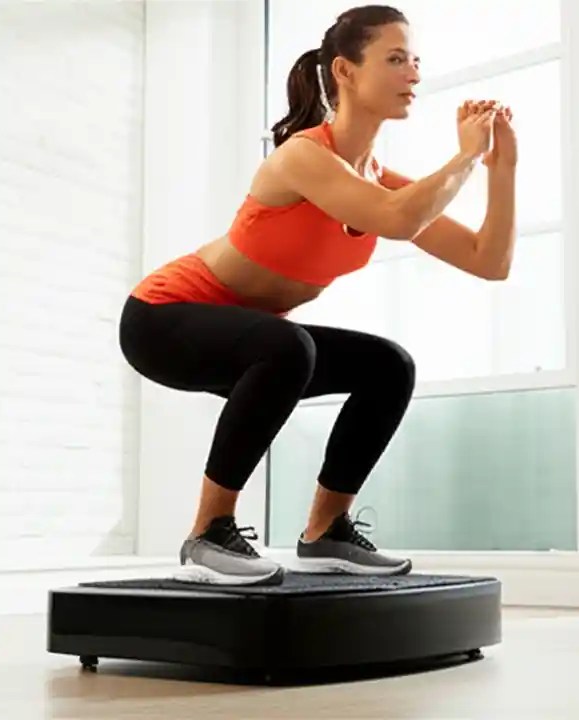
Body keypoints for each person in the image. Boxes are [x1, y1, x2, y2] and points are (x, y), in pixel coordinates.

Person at [118, 5, 518, 585]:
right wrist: (464, 157)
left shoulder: (376, 177)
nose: (413, 73)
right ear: (346, 71)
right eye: (396, 58)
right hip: (162, 319)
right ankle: (207, 533)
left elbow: (489, 261)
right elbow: (398, 219)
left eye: (416, 61)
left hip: (254, 340)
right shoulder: (304, 156)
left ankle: (326, 531)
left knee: (386, 365)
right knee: (289, 347)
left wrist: (502, 166)